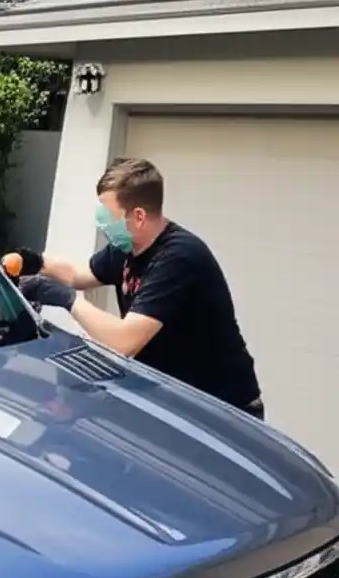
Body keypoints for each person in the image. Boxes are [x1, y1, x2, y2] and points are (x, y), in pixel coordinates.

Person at [14, 157, 265, 420]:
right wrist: (35, 262)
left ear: (139, 216)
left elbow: (124, 342)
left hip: (224, 412)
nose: (101, 224)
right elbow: (78, 275)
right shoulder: (127, 248)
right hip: (174, 399)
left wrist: (66, 299)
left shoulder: (178, 258)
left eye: (107, 216)